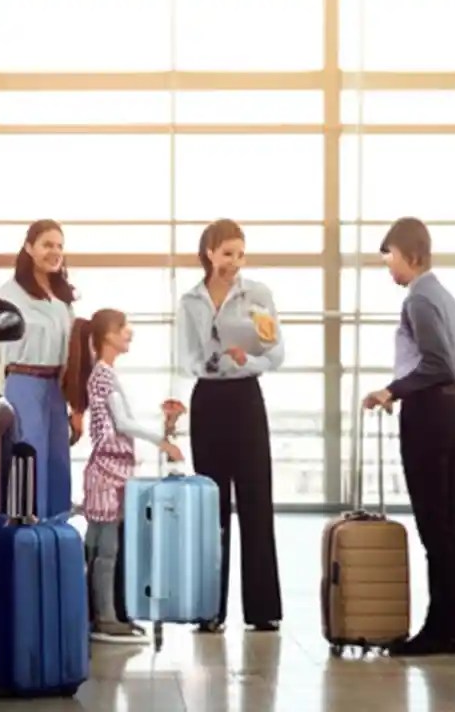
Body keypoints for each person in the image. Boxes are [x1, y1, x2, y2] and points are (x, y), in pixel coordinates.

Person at [362, 216, 455, 657]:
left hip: (429, 415)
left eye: (390, 256)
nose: (389, 266)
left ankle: (441, 630)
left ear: (411, 254)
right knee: (448, 526)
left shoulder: (419, 300)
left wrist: (392, 390)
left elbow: (437, 363)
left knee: (434, 527)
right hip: (453, 410)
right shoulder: (445, 297)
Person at [177, 218, 286, 633]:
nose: (234, 262)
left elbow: (275, 353)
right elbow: (185, 356)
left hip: (246, 397)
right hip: (208, 399)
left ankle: (263, 609)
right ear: (209, 252)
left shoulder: (258, 295)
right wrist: (213, 361)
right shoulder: (191, 300)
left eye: (240, 254)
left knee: (257, 500)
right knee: (211, 506)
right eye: (227, 254)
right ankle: (209, 609)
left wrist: (248, 361)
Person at [72, 308, 185, 643]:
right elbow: (122, 423)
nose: (129, 333)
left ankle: (104, 614)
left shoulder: (102, 374)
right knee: (106, 550)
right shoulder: (103, 375)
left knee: (101, 547)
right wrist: (161, 441)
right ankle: (105, 619)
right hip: (108, 472)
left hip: (109, 472)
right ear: (107, 335)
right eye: (123, 328)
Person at [0, 219, 77, 519]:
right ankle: (26, 539)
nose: (54, 252)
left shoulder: (62, 298)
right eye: (47, 245)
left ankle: (55, 539)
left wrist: (75, 402)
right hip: (22, 383)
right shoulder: (9, 294)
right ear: (29, 248)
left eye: (59, 246)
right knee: (30, 462)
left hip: (55, 388)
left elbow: (71, 349)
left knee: (58, 464)